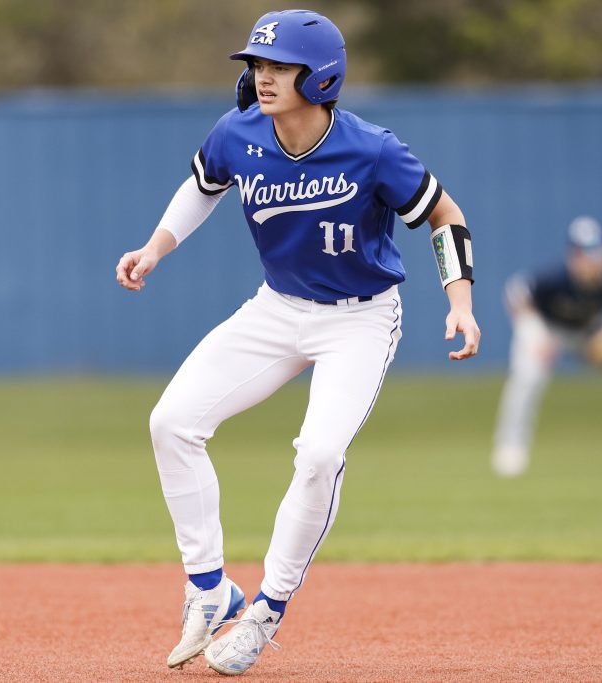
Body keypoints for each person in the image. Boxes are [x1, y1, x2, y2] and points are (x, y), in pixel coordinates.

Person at [115, 10, 480, 676]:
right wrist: (155, 247)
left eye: (281, 67)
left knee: (317, 454)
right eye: (257, 65)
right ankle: (207, 588)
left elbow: (444, 214)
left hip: (360, 319)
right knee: (171, 422)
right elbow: (203, 187)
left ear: (323, 77)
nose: (263, 78)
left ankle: (266, 610)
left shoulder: (370, 149)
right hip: (278, 308)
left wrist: (461, 301)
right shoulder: (239, 132)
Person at [492, 216, 602, 477]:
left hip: (591, 334)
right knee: (526, 380)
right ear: (572, 257)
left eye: (596, 255)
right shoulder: (553, 279)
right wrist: (533, 334)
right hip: (550, 331)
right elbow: (515, 293)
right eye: (584, 255)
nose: (591, 262)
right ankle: (510, 449)